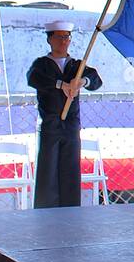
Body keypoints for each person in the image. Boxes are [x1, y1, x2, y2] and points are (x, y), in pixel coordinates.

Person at [26, 21, 102, 208]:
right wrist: (61, 85)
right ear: (50, 39)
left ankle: (70, 210)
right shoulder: (42, 64)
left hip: (70, 125)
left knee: (70, 170)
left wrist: (82, 81)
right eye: (59, 37)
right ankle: (46, 212)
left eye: (66, 37)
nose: (63, 41)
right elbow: (34, 79)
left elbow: (96, 80)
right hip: (51, 124)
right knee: (48, 170)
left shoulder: (76, 65)